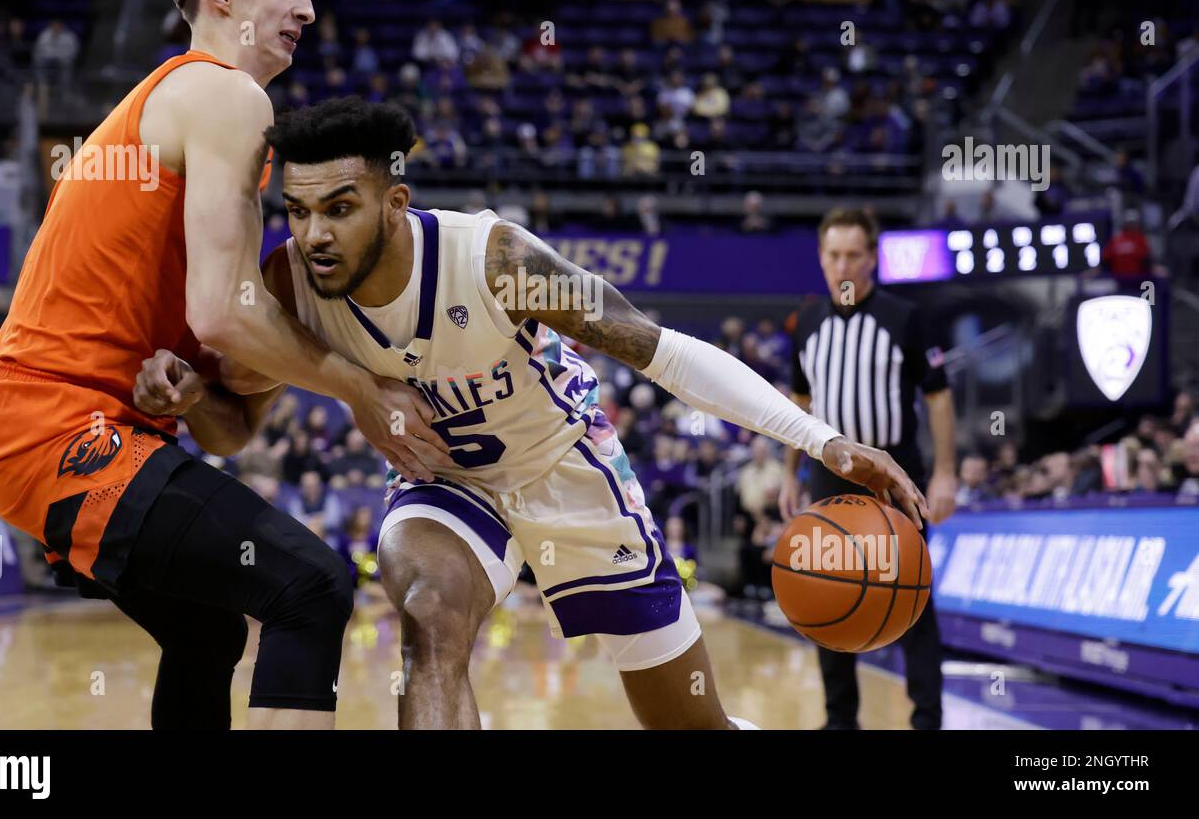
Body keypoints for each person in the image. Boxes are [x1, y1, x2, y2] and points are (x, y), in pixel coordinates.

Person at [135, 98, 928, 730]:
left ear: (394, 202)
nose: (313, 234)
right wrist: (195, 399)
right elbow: (233, 431)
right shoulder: (291, 287)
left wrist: (823, 439)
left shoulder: (498, 261)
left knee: (690, 723)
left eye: (338, 208)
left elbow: (665, 353)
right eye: (298, 211)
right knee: (426, 617)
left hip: (569, 469)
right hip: (448, 489)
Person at [0, 0, 447, 731]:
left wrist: (195, 394)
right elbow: (225, 315)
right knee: (309, 587)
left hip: (51, 429)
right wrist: (362, 387)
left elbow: (229, 431)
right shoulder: (223, 95)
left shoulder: (204, 139)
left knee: (208, 631)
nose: (306, 7)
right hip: (56, 425)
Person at [781, 206, 957, 730]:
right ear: (820, 258)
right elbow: (799, 401)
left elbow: (939, 397)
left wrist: (946, 471)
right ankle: (840, 720)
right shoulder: (807, 321)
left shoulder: (906, 317)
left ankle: (927, 718)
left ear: (872, 257)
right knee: (825, 591)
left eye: (853, 254)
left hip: (895, 476)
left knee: (912, 598)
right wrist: (789, 472)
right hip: (828, 475)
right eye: (833, 255)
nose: (843, 265)